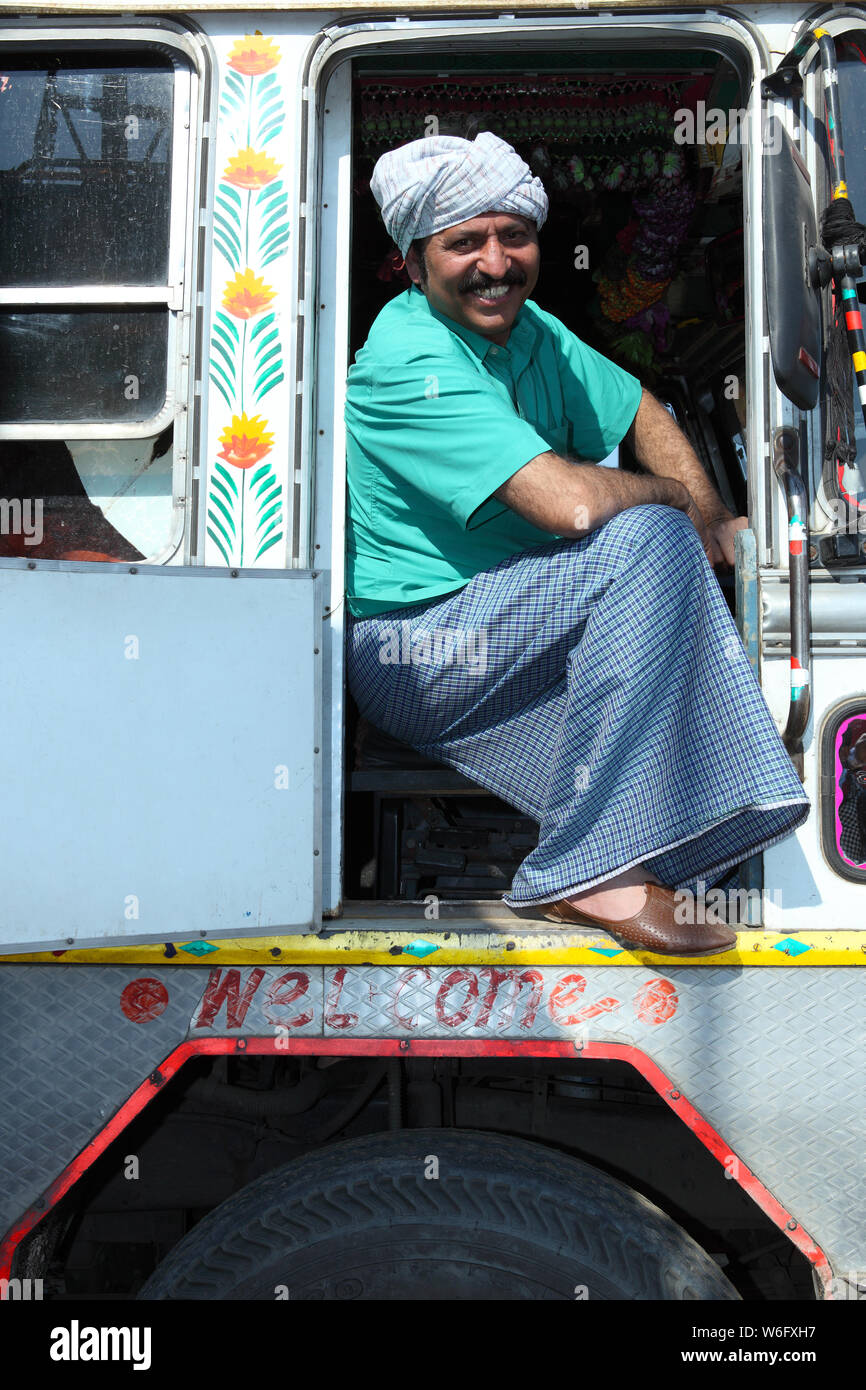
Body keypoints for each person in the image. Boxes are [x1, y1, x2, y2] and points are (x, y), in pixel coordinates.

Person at [344, 130, 810, 955]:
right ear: (415, 266)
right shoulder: (407, 357)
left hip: (508, 621)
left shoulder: (530, 330)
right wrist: (680, 510)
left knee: (677, 589)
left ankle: (652, 861)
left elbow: (640, 408)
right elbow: (571, 508)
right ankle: (592, 872)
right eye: (463, 243)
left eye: (512, 236)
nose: (496, 262)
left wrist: (715, 518)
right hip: (417, 647)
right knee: (644, 536)